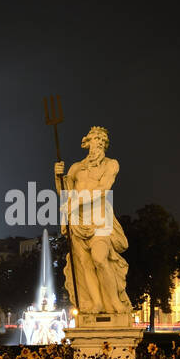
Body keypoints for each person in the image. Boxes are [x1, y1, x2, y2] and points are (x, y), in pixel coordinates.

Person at [54, 126, 132, 316]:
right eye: (91, 139)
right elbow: (65, 195)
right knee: (85, 264)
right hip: (77, 222)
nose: (93, 143)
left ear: (102, 142)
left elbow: (103, 189)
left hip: (99, 219)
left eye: (97, 139)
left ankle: (114, 301)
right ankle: (96, 303)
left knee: (100, 259)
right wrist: (57, 177)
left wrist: (76, 202)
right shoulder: (75, 168)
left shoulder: (111, 164)